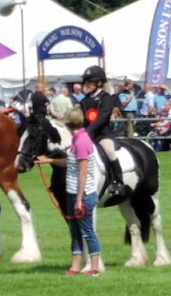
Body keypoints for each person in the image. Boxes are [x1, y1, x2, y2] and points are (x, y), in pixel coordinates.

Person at [35, 109, 103, 276]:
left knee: (88, 232)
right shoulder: (77, 139)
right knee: (75, 232)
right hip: (72, 193)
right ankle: (75, 266)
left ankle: (95, 268)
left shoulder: (82, 142)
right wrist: (49, 160)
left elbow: (83, 172)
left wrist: (79, 200)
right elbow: (70, 162)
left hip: (83, 194)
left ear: (68, 124)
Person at [80, 65, 123, 175]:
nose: (86, 84)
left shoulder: (106, 98)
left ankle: (119, 180)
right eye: (86, 82)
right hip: (86, 134)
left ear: (99, 83)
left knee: (109, 151)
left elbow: (103, 117)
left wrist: (88, 131)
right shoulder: (84, 100)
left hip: (102, 135)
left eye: (90, 82)